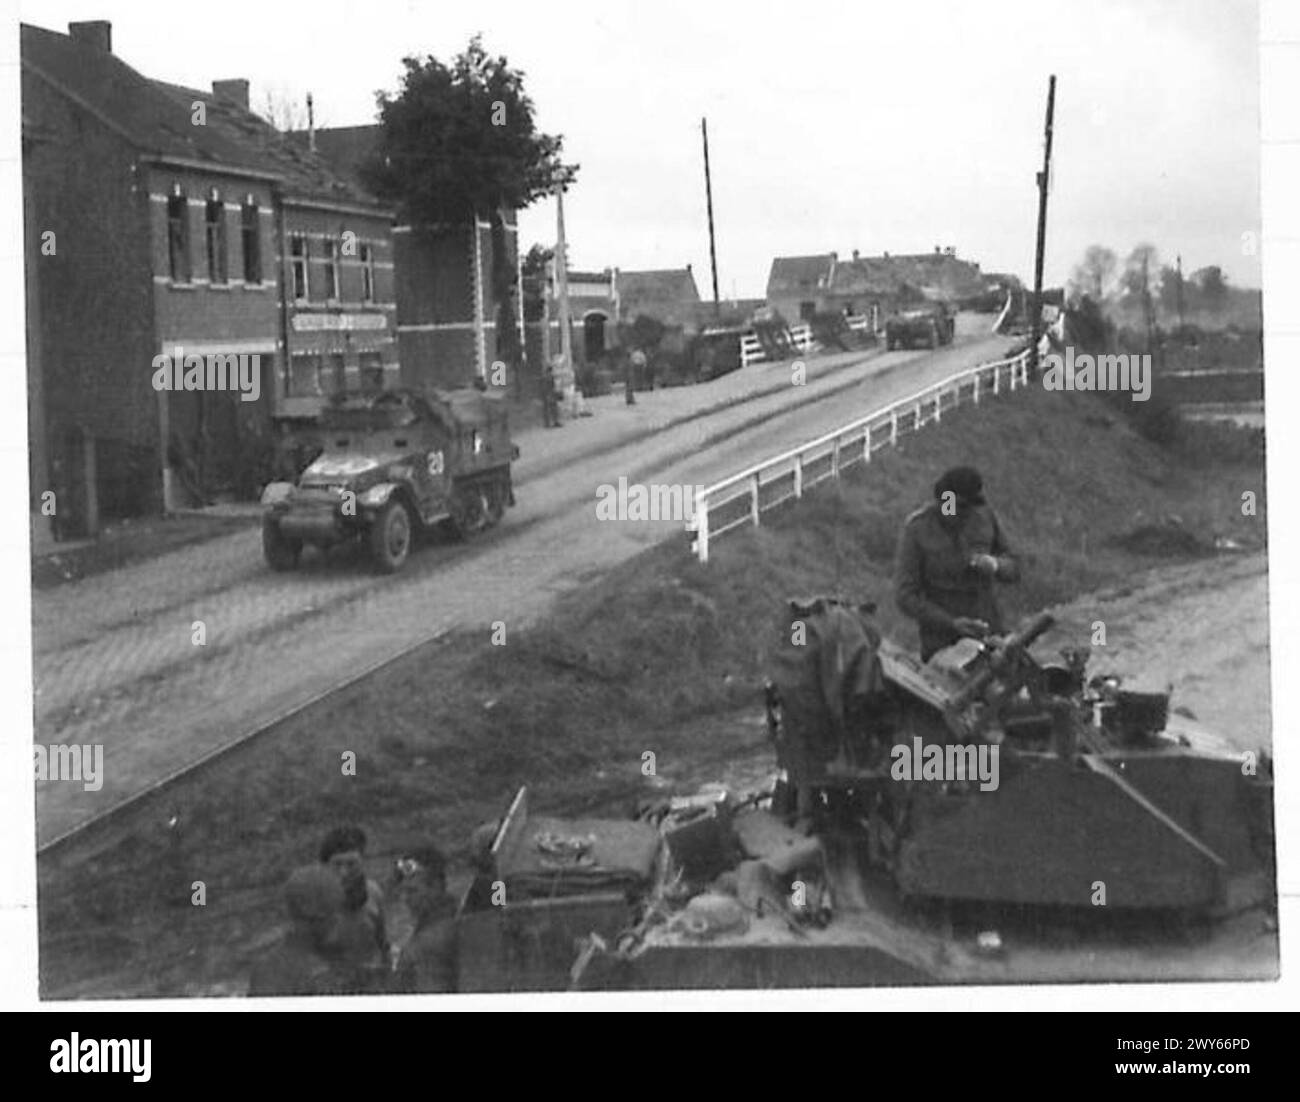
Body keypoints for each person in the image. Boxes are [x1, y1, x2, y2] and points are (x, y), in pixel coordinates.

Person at [893, 466, 1019, 662]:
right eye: (954, 505)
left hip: (991, 633)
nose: (960, 513)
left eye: (967, 507)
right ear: (943, 499)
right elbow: (905, 595)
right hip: (943, 643)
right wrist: (950, 623)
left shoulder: (984, 518)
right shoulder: (918, 529)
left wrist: (995, 565)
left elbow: (1015, 566)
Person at [247, 865, 357, 997]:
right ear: (315, 917)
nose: (338, 920)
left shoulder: (337, 961)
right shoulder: (272, 971)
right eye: (334, 913)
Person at [319, 825, 389, 975]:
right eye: (337, 865)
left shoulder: (374, 893)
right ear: (325, 866)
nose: (344, 873)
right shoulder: (314, 903)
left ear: (363, 862)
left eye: (351, 864)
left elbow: (383, 943)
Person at [390, 845, 459, 994]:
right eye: (403, 892)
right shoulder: (450, 921)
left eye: (412, 891)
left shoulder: (432, 941)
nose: (406, 899)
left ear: (437, 886)